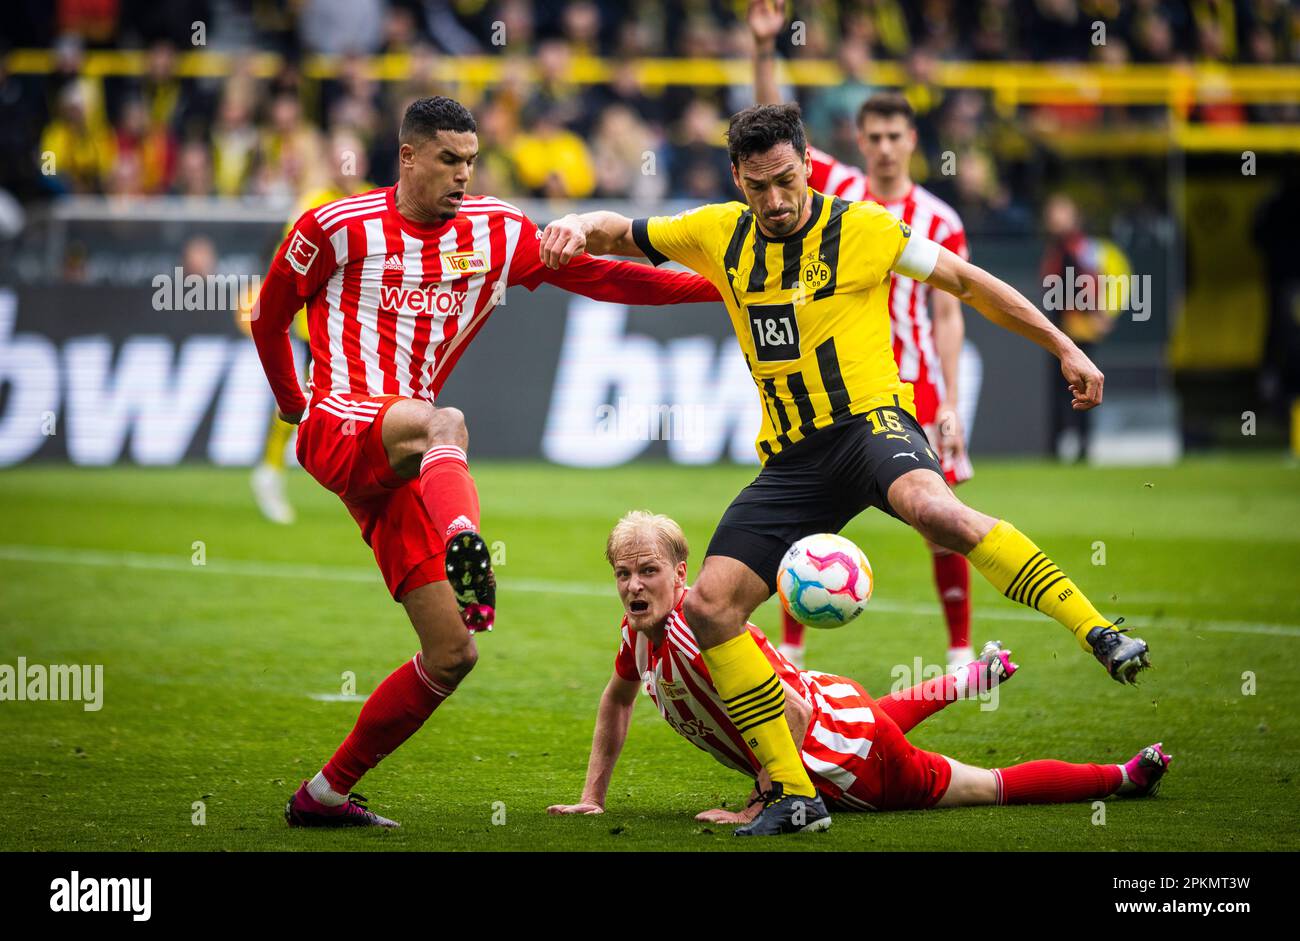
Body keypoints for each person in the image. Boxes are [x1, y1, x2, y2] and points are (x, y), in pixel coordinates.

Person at [539, 102, 1150, 836]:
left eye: (788, 180)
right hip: (794, 460)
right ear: (738, 178)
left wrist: (1065, 346)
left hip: (870, 427)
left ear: (807, 162)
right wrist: (576, 223)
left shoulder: (861, 228)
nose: (775, 200)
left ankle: (1095, 630)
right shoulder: (713, 232)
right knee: (707, 608)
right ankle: (795, 795)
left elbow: (968, 282)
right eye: (759, 186)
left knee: (938, 512)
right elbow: (620, 229)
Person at [252, 96, 719, 828]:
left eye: (470, 161)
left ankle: (323, 794)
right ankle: (466, 537)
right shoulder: (335, 226)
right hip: (341, 425)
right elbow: (270, 312)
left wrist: (725, 287)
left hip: (402, 464)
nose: (463, 175)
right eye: (448, 160)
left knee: (451, 654)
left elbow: (607, 277)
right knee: (448, 420)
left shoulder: (494, 233)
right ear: (407, 156)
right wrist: (290, 401)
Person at [547, 512, 1171, 828]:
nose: (634, 585)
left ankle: (1122, 777)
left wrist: (761, 802)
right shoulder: (639, 634)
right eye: (624, 573)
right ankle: (970, 677)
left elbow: (785, 714)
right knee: (871, 713)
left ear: (681, 575)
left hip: (850, 765)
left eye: (648, 570)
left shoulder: (701, 633)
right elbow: (616, 701)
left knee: (989, 786)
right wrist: (591, 799)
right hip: (839, 709)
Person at [750, 0, 975, 670]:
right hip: (840, 379)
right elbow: (771, 132)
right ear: (860, 139)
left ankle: (961, 651)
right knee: (810, 520)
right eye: (871, 136)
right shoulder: (836, 187)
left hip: (920, 387)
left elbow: (949, 313)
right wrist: (765, 50)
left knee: (943, 520)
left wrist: (955, 402)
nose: (881, 147)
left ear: (911, 141)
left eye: (892, 137)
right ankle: (791, 648)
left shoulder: (938, 216)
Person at [241, 130, 375, 525]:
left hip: (360, 320)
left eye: (354, 159)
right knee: (303, 399)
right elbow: (292, 270)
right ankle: (270, 471)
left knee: (352, 399)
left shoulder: (372, 197)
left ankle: (356, 478)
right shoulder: (314, 205)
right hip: (314, 325)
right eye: (340, 159)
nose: (348, 168)